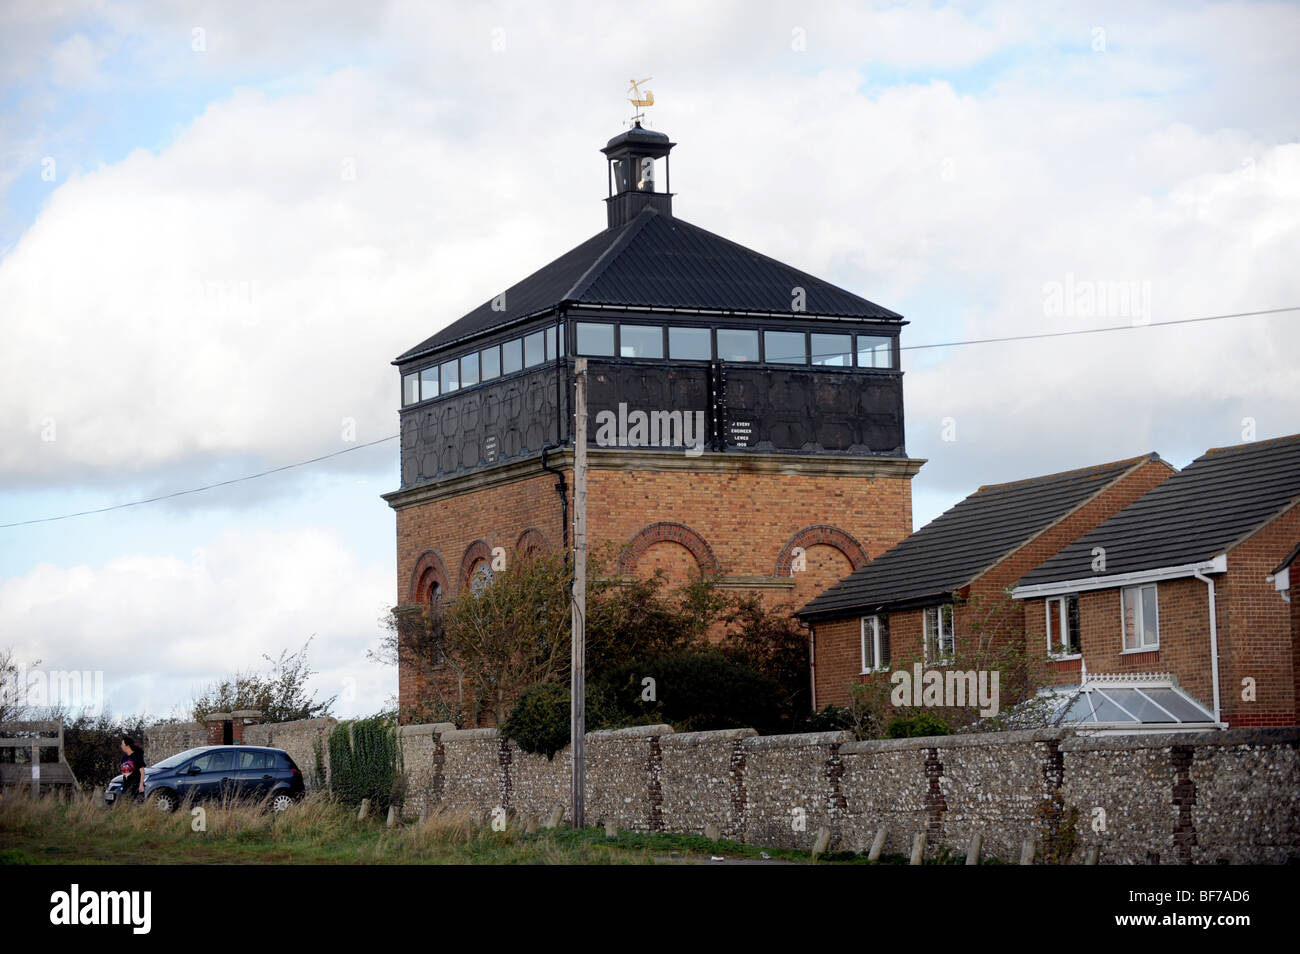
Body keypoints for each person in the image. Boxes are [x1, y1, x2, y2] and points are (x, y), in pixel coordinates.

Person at [119, 736, 146, 804]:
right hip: (126, 786)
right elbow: (123, 771)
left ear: (127, 746)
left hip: (135, 785)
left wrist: (141, 785)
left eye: (122, 744)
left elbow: (142, 771)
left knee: (136, 805)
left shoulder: (137, 756)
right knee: (125, 805)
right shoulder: (124, 758)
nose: (121, 746)